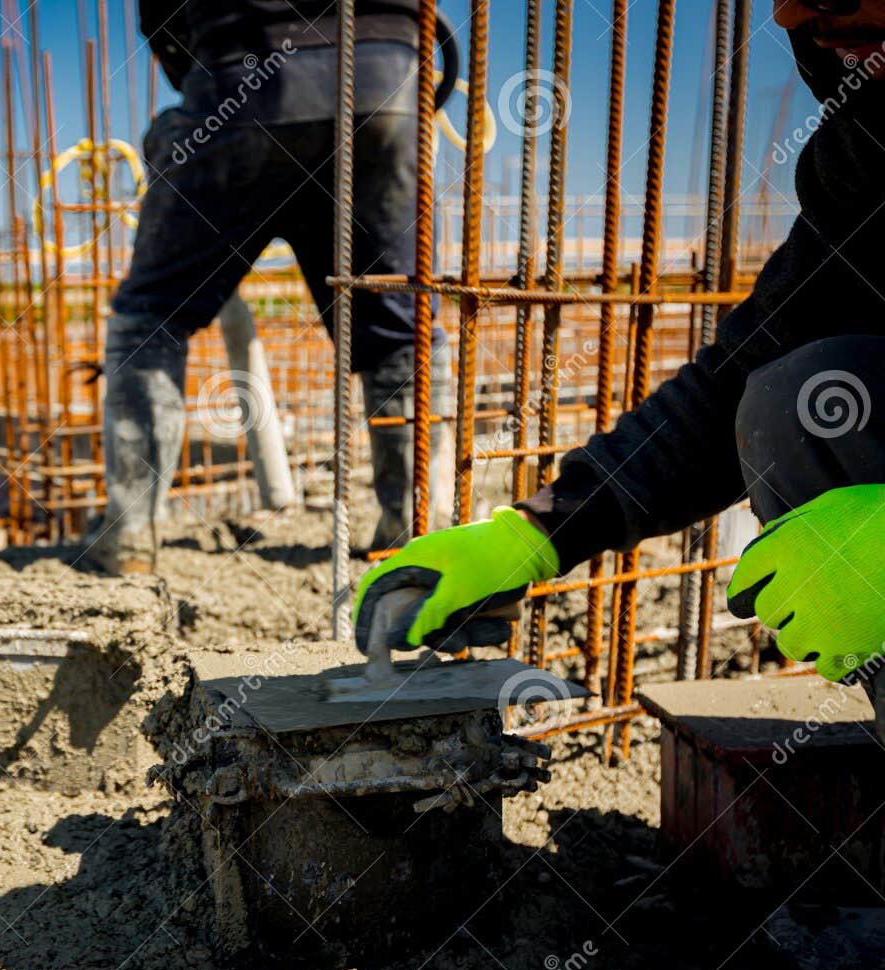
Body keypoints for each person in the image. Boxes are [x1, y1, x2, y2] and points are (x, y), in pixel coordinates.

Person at [355, 0, 885, 697]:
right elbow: (736, 376)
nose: (790, 14)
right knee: (798, 399)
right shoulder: (867, 161)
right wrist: (540, 531)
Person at [83, 0, 453, 574]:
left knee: (151, 314)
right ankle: (416, 528)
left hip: (244, 81)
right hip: (386, 86)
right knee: (396, 322)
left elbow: (162, 19)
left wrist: (201, 85)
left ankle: (131, 532)